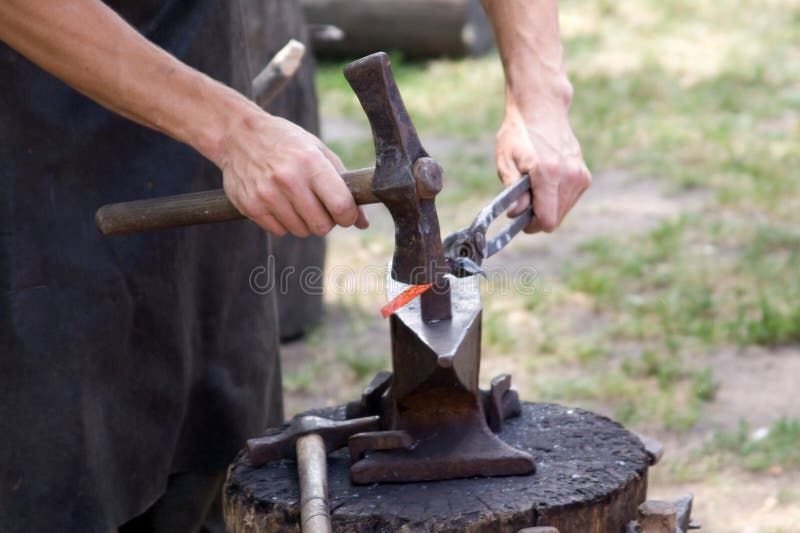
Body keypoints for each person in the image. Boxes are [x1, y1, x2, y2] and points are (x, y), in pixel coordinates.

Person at [0, 0, 590, 531]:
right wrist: (231, 129)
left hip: (208, 114)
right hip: (38, 155)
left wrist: (538, 92)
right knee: (58, 474)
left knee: (216, 458)